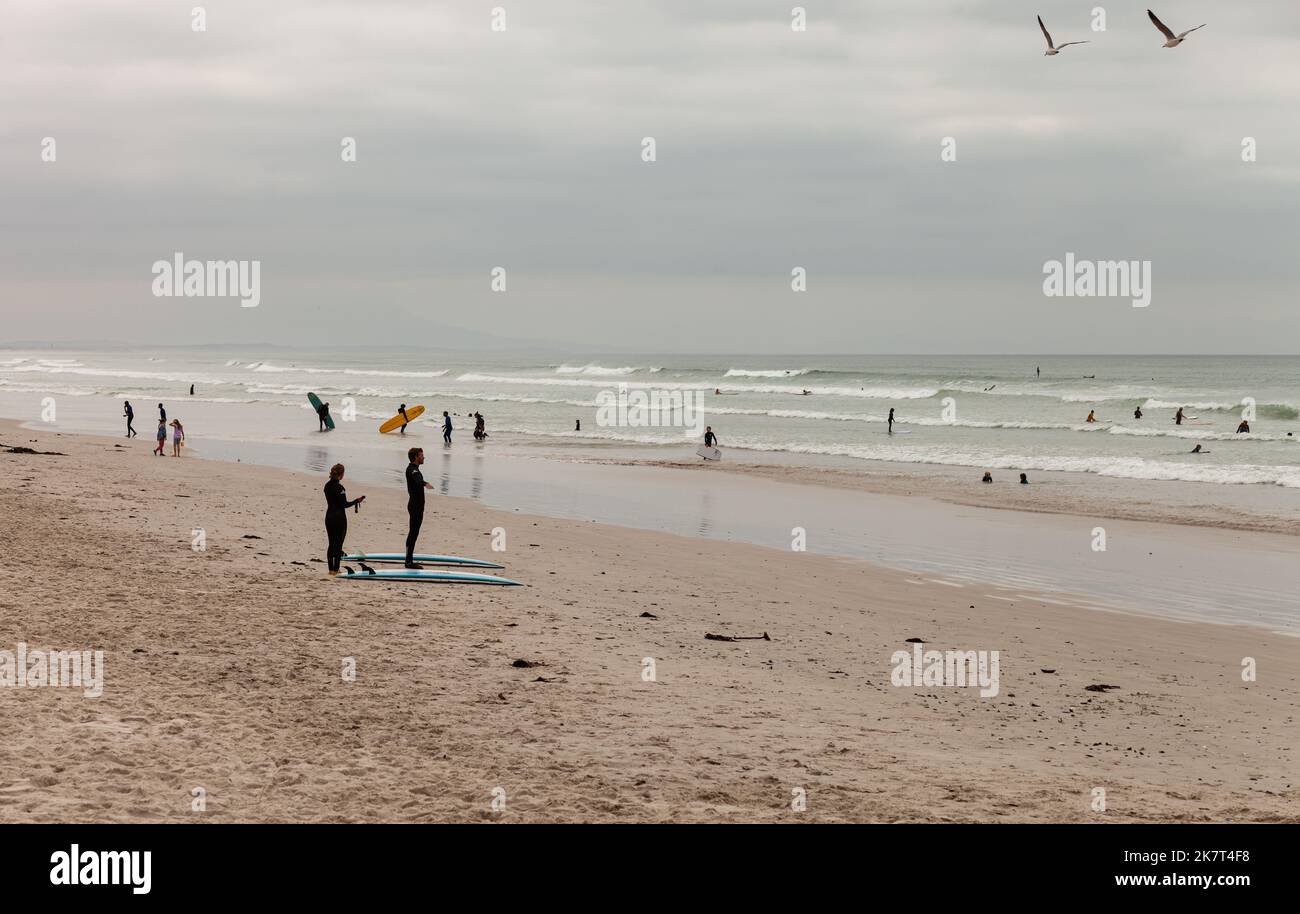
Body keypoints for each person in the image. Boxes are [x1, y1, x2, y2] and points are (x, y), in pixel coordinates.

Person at [323, 463, 364, 575]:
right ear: (341, 474)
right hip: (339, 518)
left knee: (331, 543)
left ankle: (331, 569)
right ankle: (336, 570)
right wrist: (356, 501)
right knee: (338, 544)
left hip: (329, 516)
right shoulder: (340, 488)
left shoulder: (326, 486)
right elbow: (344, 504)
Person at [405, 447, 432, 568]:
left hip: (417, 506)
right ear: (416, 457)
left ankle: (408, 559)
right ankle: (408, 561)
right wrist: (425, 483)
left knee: (414, 533)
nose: (423, 457)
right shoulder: (412, 470)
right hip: (415, 506)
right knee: (413, 533)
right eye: (421, 455)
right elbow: (417, 480)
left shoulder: (414, 469)